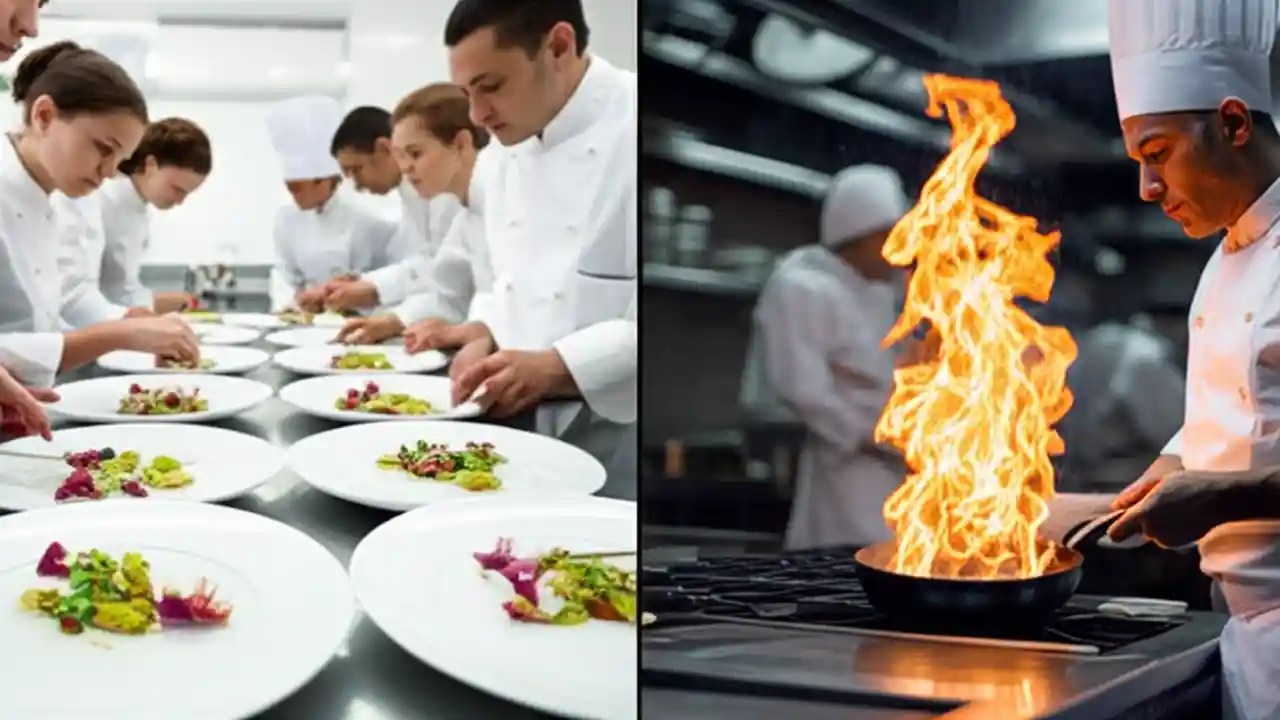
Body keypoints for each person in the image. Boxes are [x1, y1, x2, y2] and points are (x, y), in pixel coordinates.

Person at [1042, 2, 1280, 718]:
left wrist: (1222, 498)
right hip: (1247, 635)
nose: (1147, 190)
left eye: (1157, 154)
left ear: (1234, 123)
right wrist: (1162, 477)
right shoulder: (1226, 257)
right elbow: (1246, 415)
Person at [388, 0, 635, 493]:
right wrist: (485, 336)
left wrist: (557, 365)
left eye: (491, 87)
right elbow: (504, 279)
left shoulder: (633, 129)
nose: (478, 116)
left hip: (618, 429)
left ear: (558, 47)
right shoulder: (503, 153)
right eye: (466, 94)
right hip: (520, 427)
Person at [0, 41, 198, 395]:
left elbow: (53, 307)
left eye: (119, 159)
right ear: (43, 116)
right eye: (103, 149)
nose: (109, 173)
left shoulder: (49, 196)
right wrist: (117, 333)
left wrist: (129, 321)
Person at [740, 165, 909, 549]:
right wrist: (882, 438)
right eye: (888, 237)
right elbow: (803, 390)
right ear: (855, 234)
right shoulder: (802, 286)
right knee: (846, 576)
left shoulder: (880, 290)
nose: (900, 251)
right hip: (846, 472)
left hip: (900, 474)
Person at [335, 84, 493, 347]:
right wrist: (393, 320)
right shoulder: (467, 213)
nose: (406, 167)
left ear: (461, 145)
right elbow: (447, 291)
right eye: (401, 156)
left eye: (415, 154)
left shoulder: (498, 198)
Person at [55, 117, 211, 323]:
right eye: (177, 189)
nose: (180, 201)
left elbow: (122, 288)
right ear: (151, 165)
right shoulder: (102, 200)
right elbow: (86, 293)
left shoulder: (138, 208)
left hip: (105, 322)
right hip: (86, 326)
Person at [320, 106, 465, 313]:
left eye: (356, 170)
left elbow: (449, 271)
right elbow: (421, 263)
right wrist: (362, 282)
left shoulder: (441, 190)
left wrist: (374, 290)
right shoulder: (410, 195)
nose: (357, 185)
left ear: (384, 148)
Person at [265, 95, 397, 313]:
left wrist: (343, 294)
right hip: (303, 317)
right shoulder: (286, 218)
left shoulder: (369, 218)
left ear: (324, 181)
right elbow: (283, 273)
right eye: (289, 188)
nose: (293, 197)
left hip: (356, 317)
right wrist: (291, 304)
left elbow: (387, 279)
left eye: (298, 188)